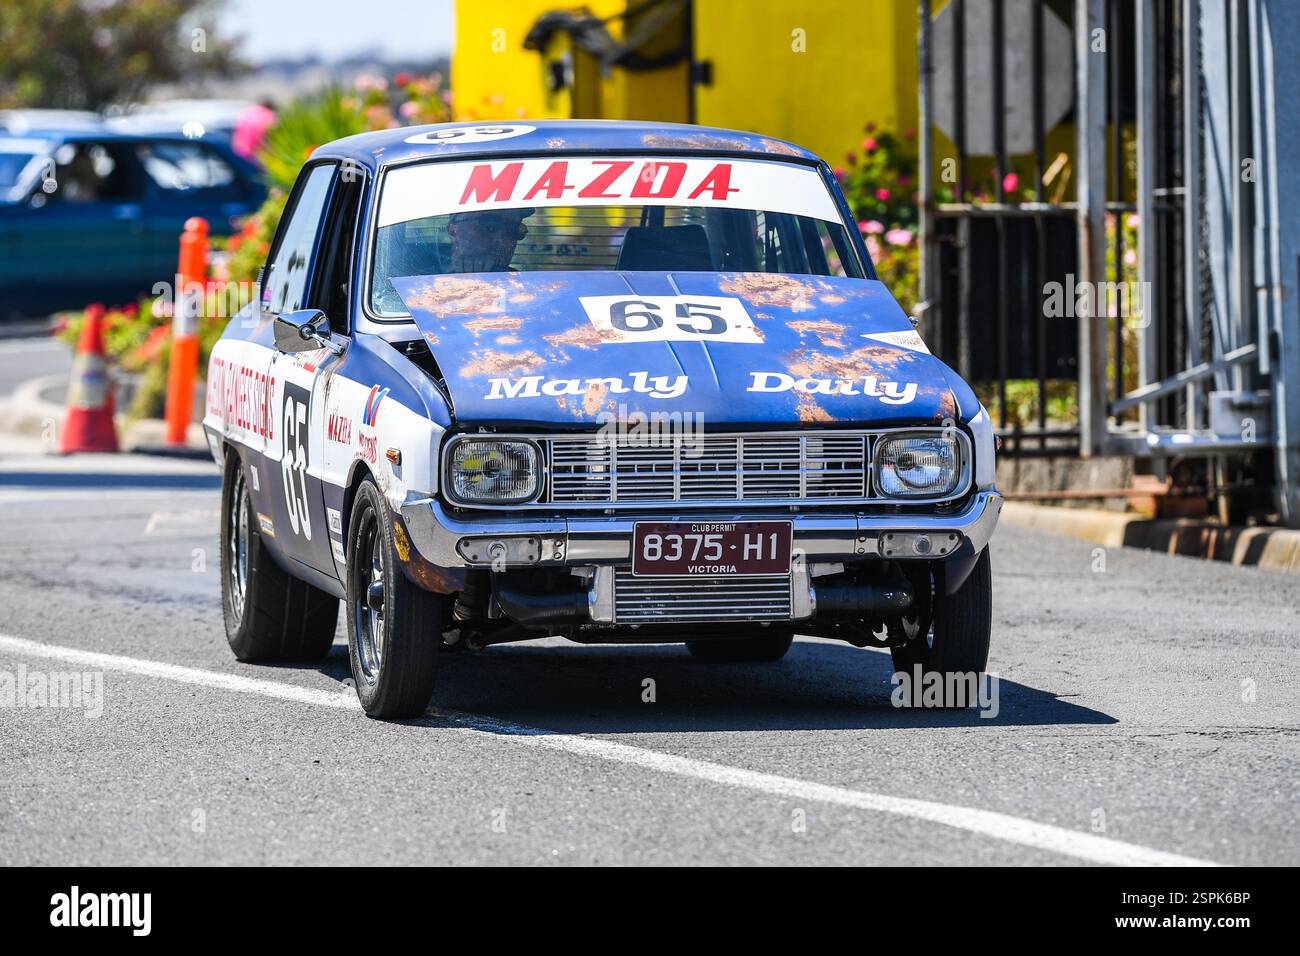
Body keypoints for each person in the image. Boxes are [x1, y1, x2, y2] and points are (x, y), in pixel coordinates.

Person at [446, 207, 532, 273]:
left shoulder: (524, 288)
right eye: (490, 226)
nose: (501, 239)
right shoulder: (435, 283)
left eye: (513, 229)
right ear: (453, 230)